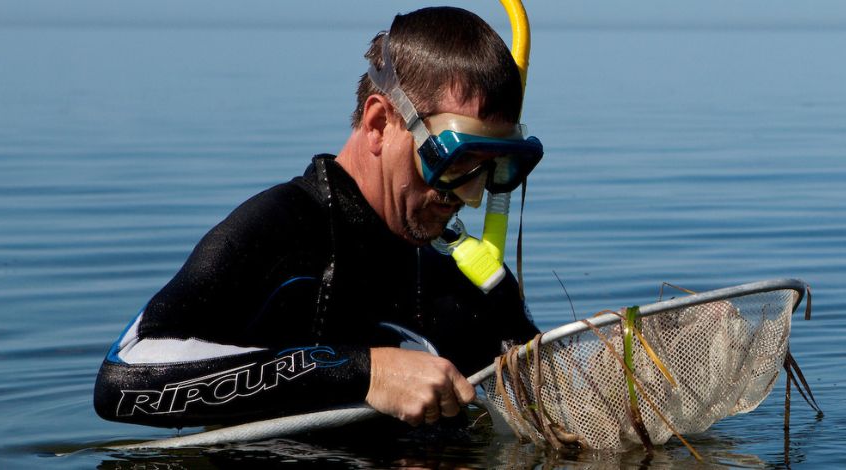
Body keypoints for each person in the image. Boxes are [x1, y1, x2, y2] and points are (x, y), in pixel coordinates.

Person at [93, 7, 542, 430]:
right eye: (454, 160)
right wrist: (366, 372)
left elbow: (548, 396)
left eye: (499, 167)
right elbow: (121, 381)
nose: (473, 193)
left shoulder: (472, 274)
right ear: (379, 123)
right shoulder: (285, 230)